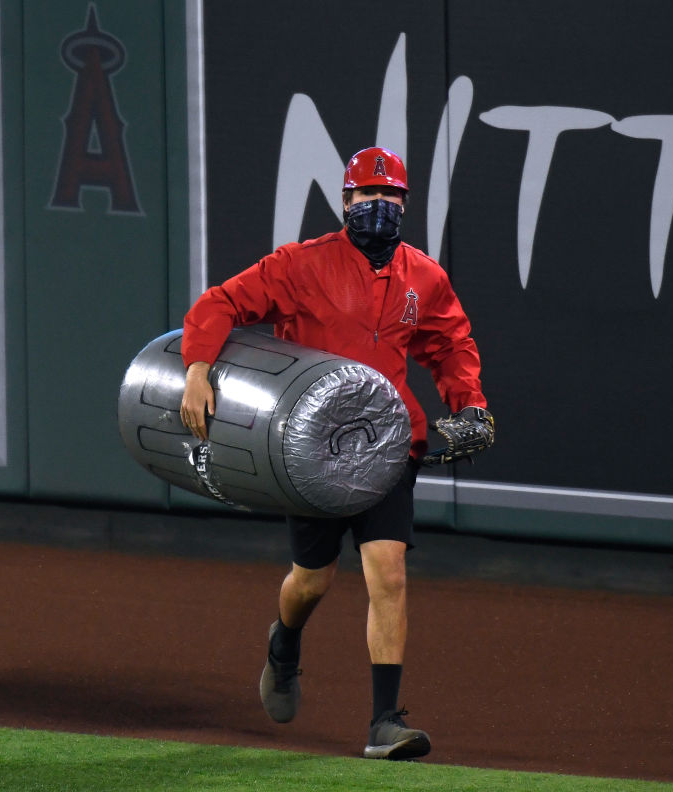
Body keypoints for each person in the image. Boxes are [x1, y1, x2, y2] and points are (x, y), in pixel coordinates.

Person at [179, 146, 491, 760]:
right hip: (311, 450)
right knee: (311, 579)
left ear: (405, 203)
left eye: (391, 194)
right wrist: (196, 368)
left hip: (388, 442)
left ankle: (384, 723)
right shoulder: (301, 265)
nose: (380, 204)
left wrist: (471, 405)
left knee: (388, 571)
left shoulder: (424, 276)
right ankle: (284, 642)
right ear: (346, 202)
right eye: (368, 194)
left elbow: (451, 344)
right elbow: (221, 303)